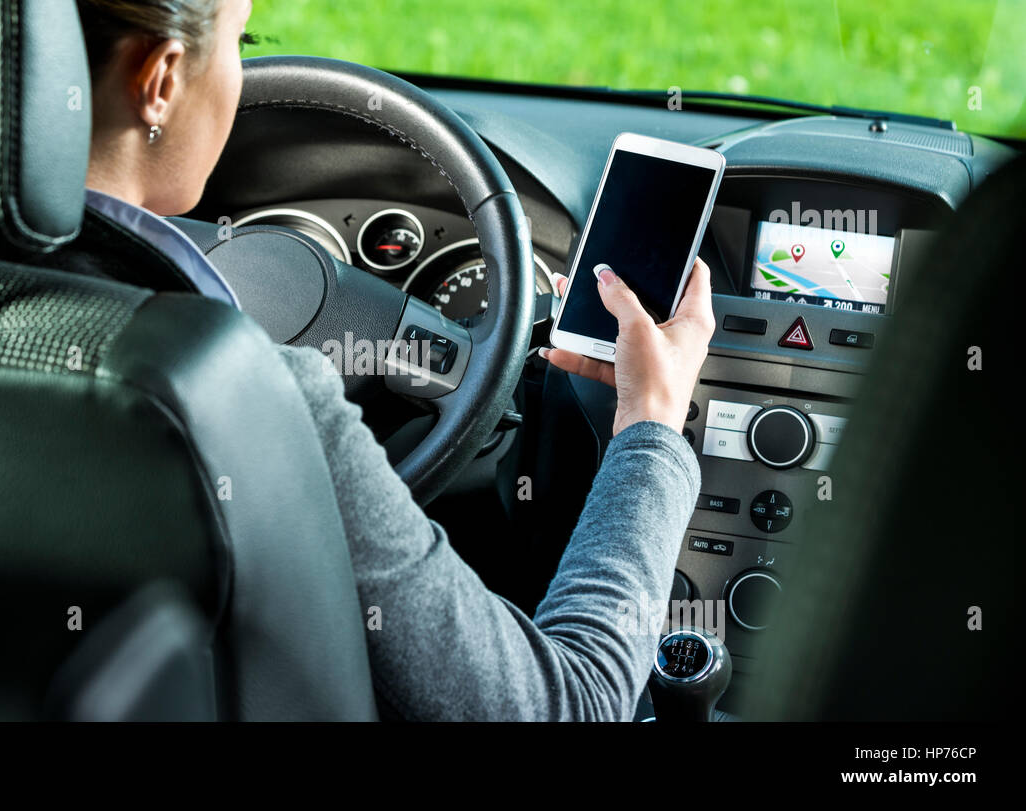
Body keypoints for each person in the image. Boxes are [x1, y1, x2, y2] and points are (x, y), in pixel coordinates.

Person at [76, 0, 712, 720]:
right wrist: (649, 427)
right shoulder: (266, 403)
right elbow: (571, 704)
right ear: (160, 78)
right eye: (239, 39)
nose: (240, 67)